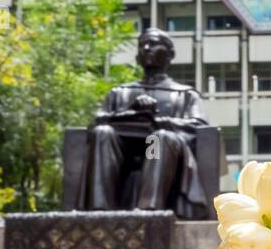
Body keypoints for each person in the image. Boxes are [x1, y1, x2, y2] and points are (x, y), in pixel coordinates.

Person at [78, 27, 209, 218]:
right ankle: (100, 213)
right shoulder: (119, 93)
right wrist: (131, 113)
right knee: (102, 133)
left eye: (154, 44)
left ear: (169, 55)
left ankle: (149, 211)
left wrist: (157, 121)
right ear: (138, 57)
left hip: (158, 152)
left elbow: (197, 126)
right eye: (142, 45)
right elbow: (97, 122)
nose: (146, 48)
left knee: (157, 138)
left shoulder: (185, 94)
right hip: (122, 152)